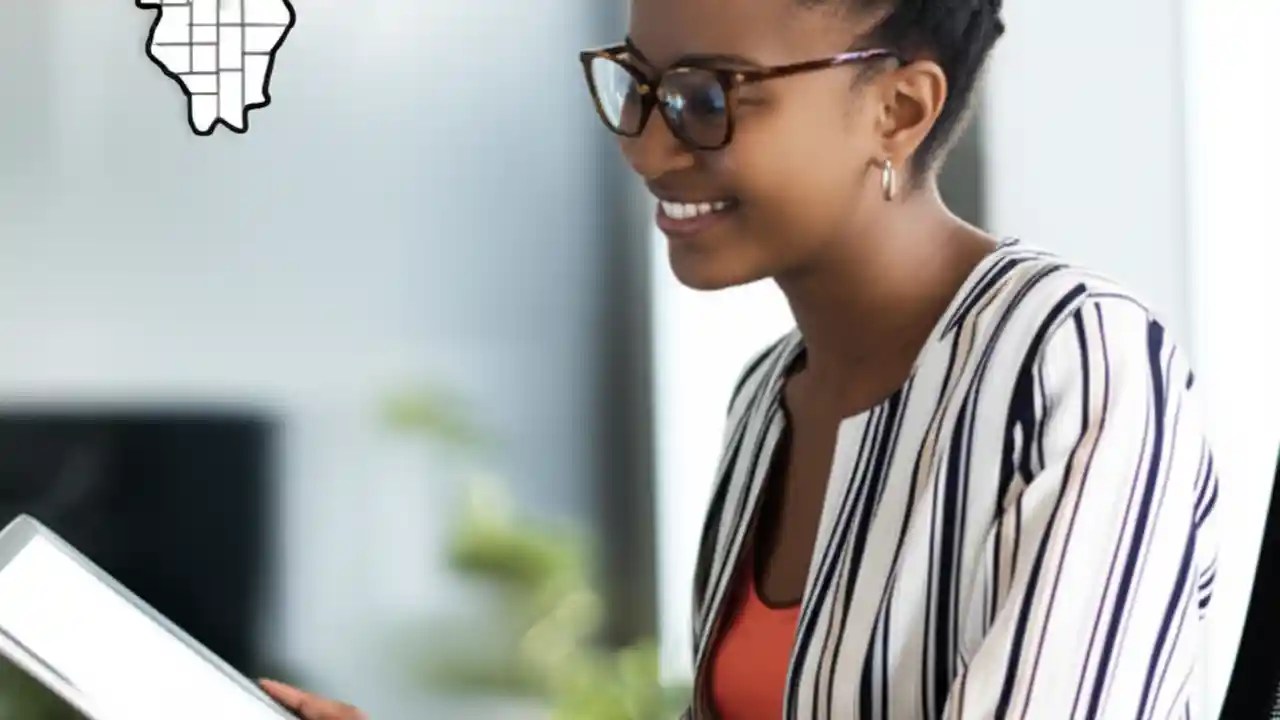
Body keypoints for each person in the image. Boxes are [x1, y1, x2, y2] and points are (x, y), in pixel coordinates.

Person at [263, 0, 1222, 717]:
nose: (646, 150)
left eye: (706, 96)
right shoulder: (767, 399)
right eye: (639, 86)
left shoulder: (1074, 360)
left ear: (898, 109)